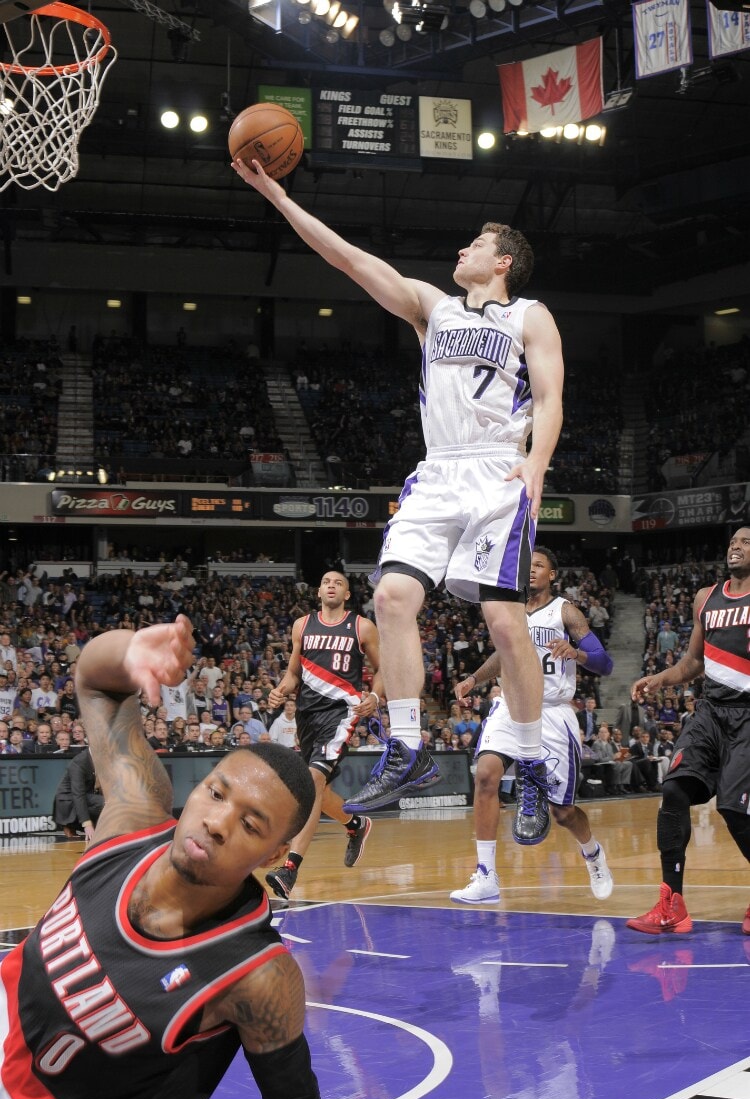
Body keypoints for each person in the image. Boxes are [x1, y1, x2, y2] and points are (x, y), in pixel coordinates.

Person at [233, 156, 564, 817]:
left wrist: (537, 462)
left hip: (500, 466)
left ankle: (531, 757)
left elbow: (551, 397)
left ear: (503, 261)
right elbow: (349, 259)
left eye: (475, 243)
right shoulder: (431, 308)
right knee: (389, 594)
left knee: (503, 619)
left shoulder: (529, 315)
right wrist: (275, 194)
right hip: (439, 469)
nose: (461, 249)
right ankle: (407, 746)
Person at [0, 616, 323, 1099]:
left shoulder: (257, 975)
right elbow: (96, 682)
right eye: (216, 793)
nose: (216, 823)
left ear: (271, 855)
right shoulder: (132, 816)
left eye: (250, 824)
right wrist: (128, 653)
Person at [450, 546, 614, 904]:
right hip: (509, 706)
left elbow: (605, 663)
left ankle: (593, 854)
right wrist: (474, 679)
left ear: (551, 574)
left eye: (539, 565)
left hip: (552, 711)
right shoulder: (509, 610)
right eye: (527, 565)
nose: (531, 570)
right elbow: (501, 656)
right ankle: (485, 874)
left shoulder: (565, 612)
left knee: (563, 812)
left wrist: (578, 653)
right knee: (486, 775)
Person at [627, 527, 750, 936]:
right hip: (710, 713)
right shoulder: (706, 597)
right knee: (674, 791)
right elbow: (693, 662)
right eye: (733, 540)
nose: (736, 545)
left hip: (748, 715)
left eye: (747, 541)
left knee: (733, 808)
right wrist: (661, 678)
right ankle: (671, 904)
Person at [264, 570, 383, 900]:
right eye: (326, 581)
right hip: (307, 715)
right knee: (318, 789)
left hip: (341, 714)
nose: (331, 585)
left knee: (312, 781)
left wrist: (373, 697)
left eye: (338, 583)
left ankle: (289, 869)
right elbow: (293, 673)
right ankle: (354, 824)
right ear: (318, 590)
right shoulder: (302, 625)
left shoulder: (361, 626)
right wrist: (281, 691)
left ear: (346, 594)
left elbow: (382, 667)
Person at [52, 746, 103, 841]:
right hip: (68, 801)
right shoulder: (79, 762)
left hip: (86, 795)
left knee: (110, 802)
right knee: (102, 803)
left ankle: (100, 829)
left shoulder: (102, 758)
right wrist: (87, 824)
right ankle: (71, 824)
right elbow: (78, 794)